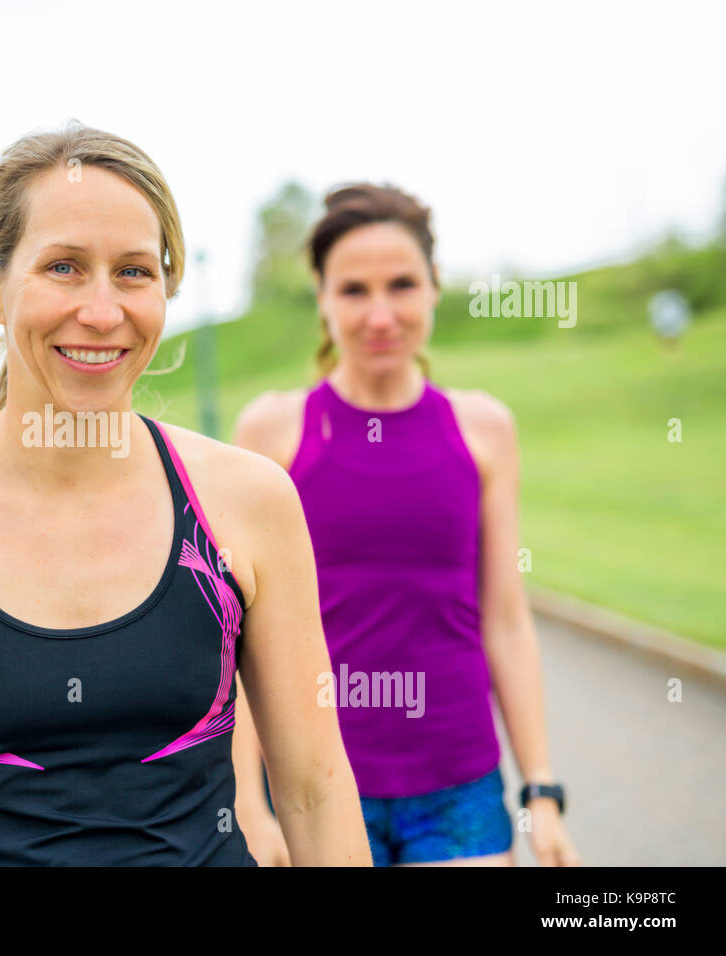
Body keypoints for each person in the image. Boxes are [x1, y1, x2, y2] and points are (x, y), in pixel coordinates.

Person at [0, 122, 370, 866]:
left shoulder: (249, 501)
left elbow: (313, 788)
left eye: (135, 272)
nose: (104, 312)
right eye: (65, 268)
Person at [231, 184, 581, 867]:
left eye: (402, 285)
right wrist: (248, 800)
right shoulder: (274, 431)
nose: (381, 314)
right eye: (354, 290)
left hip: (458, 788)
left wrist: (540, 791)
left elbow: (505, 618)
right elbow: (244, 638)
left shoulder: (482, 429)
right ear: (322, 300)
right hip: (315, 784)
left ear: (434, 288)